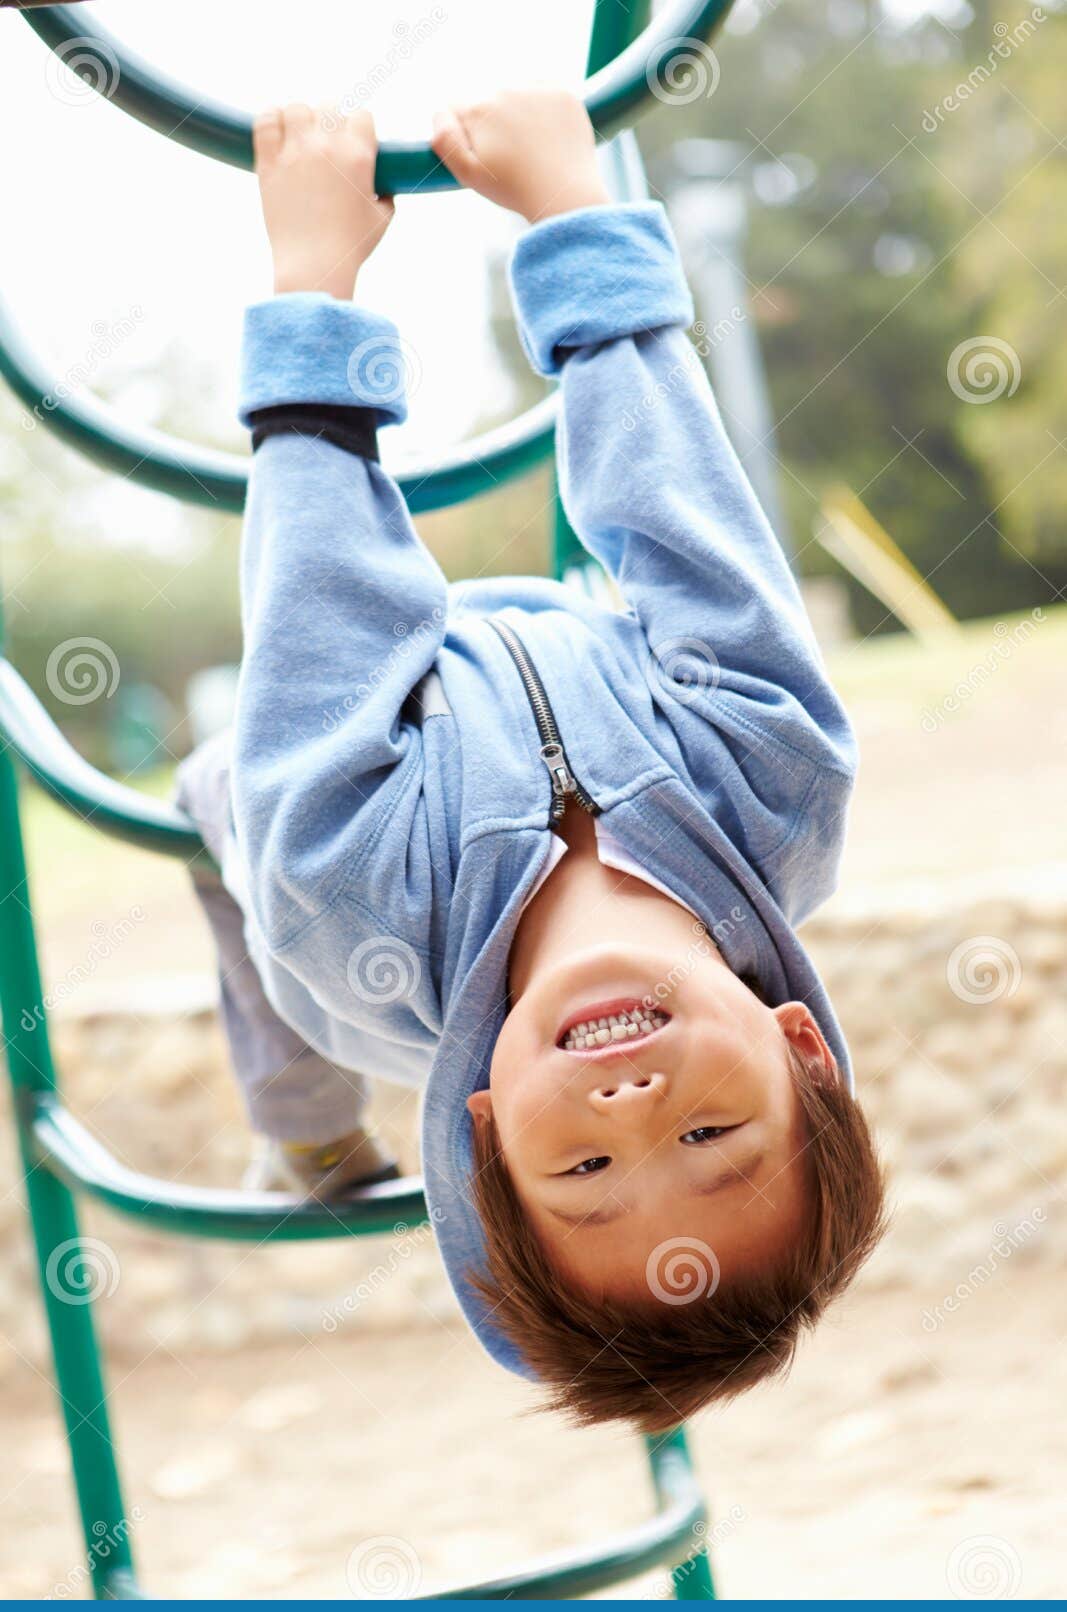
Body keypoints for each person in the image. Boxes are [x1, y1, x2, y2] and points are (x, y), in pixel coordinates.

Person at [177, 91, 886, 1434]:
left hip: (329, 857)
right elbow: (684, 524)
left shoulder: (349, 903)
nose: (633, 1106)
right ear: (799, 1048)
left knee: (219, 824)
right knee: (616, 607)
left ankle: (306, 1124)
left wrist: (313, 288)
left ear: (490, 1126)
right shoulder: (781, 790)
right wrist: (576, 217)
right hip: (549, 649)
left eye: (585, 1165)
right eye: (710, 1139)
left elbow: (326, 610)